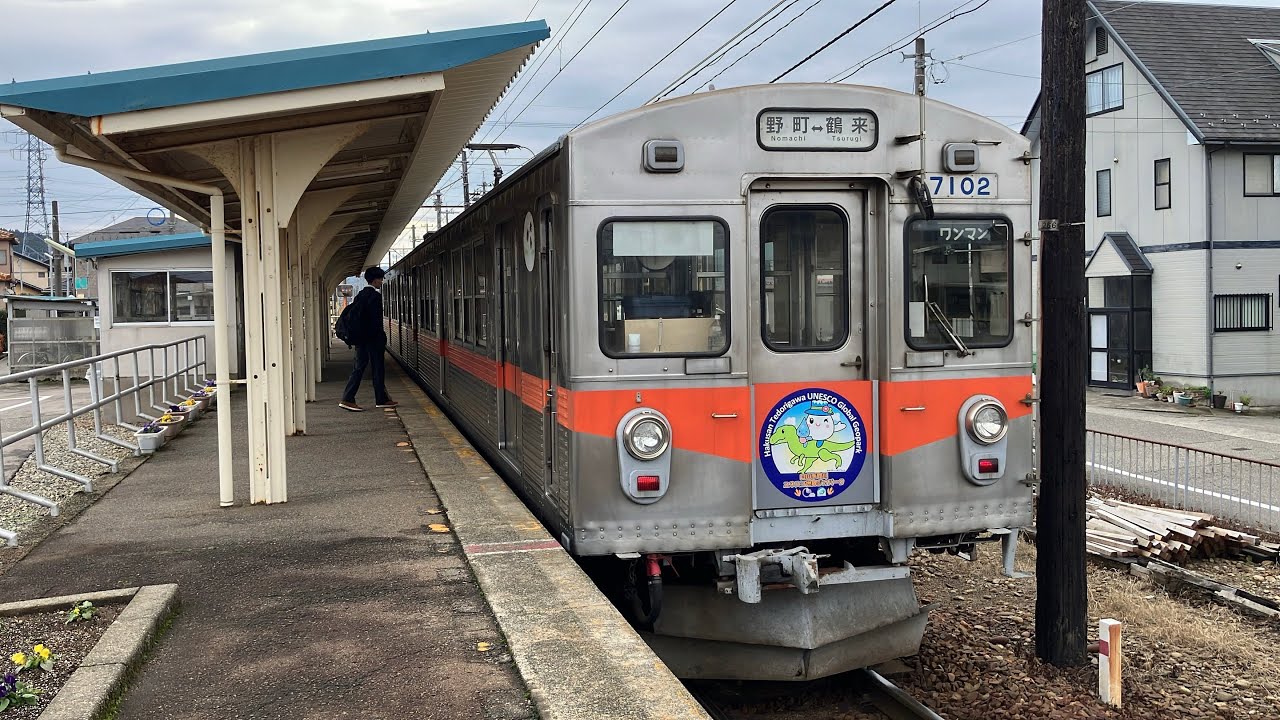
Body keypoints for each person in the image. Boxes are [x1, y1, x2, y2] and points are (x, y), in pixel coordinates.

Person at [339, 266, 397, 412]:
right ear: (376, 279)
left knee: (358, 368)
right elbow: (375, 322)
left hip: (361, 339)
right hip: (373, 339)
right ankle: (380, 399)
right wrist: (380, 338)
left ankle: (348, 398)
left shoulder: (361, 295)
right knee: (378, 369)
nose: (382, 282)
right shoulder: (375, 297)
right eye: (381, 279)